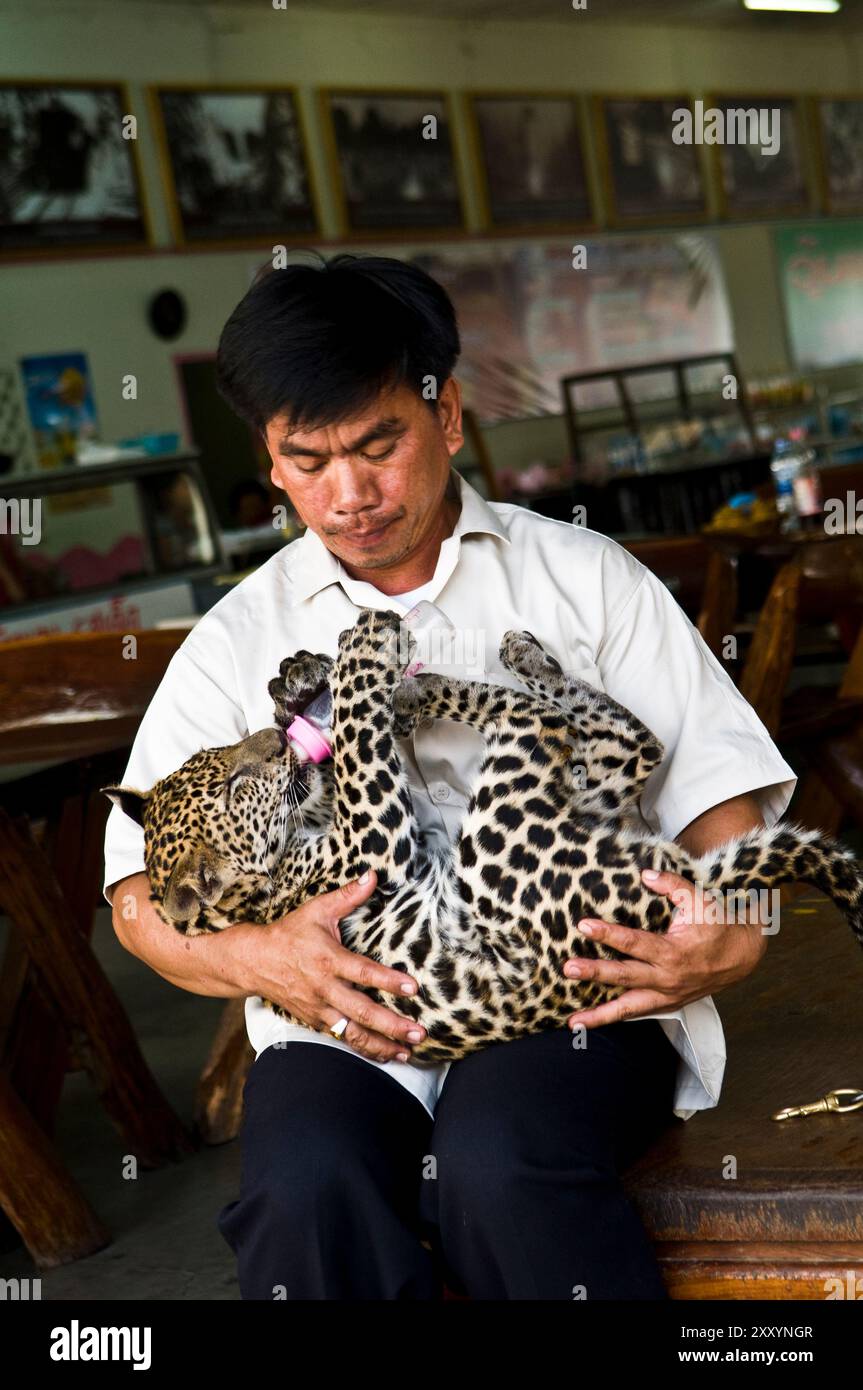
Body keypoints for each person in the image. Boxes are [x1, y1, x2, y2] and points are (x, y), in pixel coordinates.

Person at [104, 252, 796, 1301]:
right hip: (341, 1016)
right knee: (302, 1189)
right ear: (272, 461)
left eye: (378, 443)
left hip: (565, 993)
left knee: (500, 1165)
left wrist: (731, 931)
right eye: (308, 460)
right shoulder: (233, 639)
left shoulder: (582, 578)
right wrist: (267, 959)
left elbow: (725, 818)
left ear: (449, 416)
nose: (349, 494)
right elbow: (137, 902)